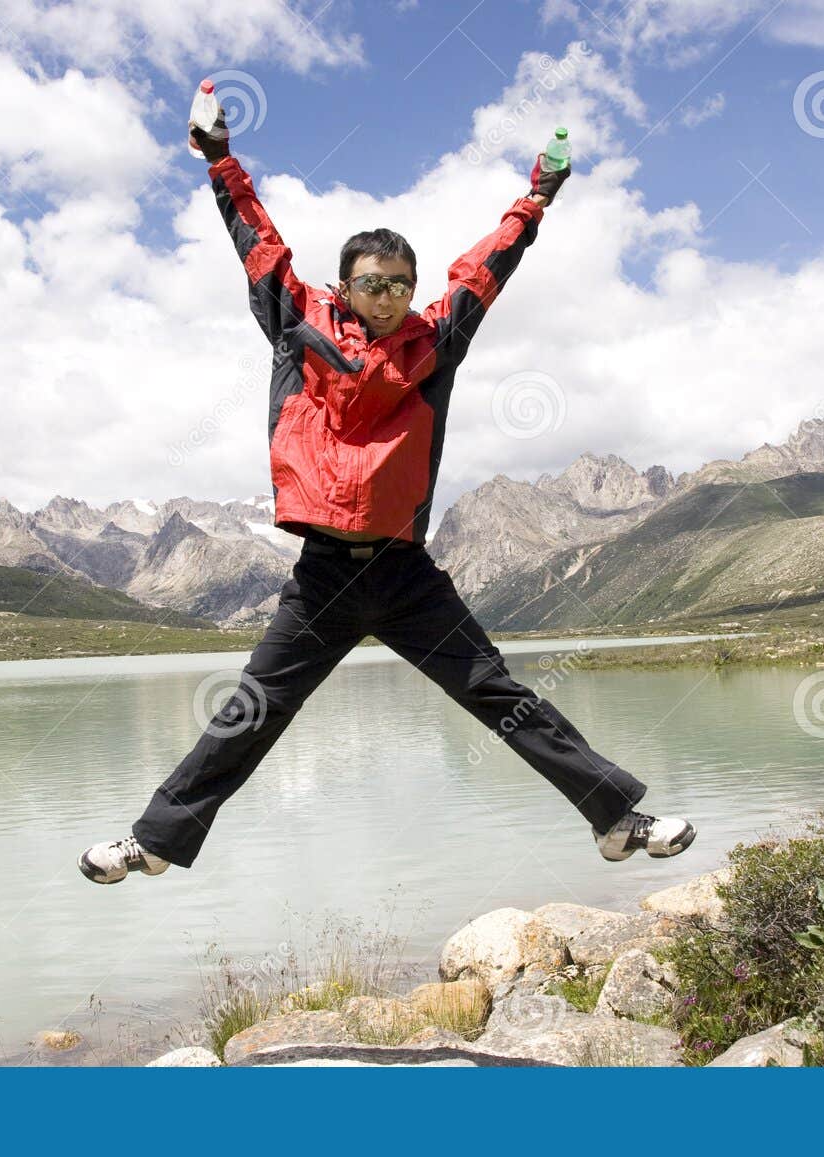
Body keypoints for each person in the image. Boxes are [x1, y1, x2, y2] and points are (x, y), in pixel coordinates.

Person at [79, 109, 695, 885]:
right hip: (324, 578)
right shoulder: (296, 321)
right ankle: (155, 841)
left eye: (401, 284)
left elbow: (487, 267)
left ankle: (616, 818)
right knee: (252, 712)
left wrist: (537, 198)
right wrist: (221, 160)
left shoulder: (436, 343)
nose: (388, 296)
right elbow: (259, 245)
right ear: (345, 285)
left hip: (405, 575)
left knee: (498, 694)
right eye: (373, 283)